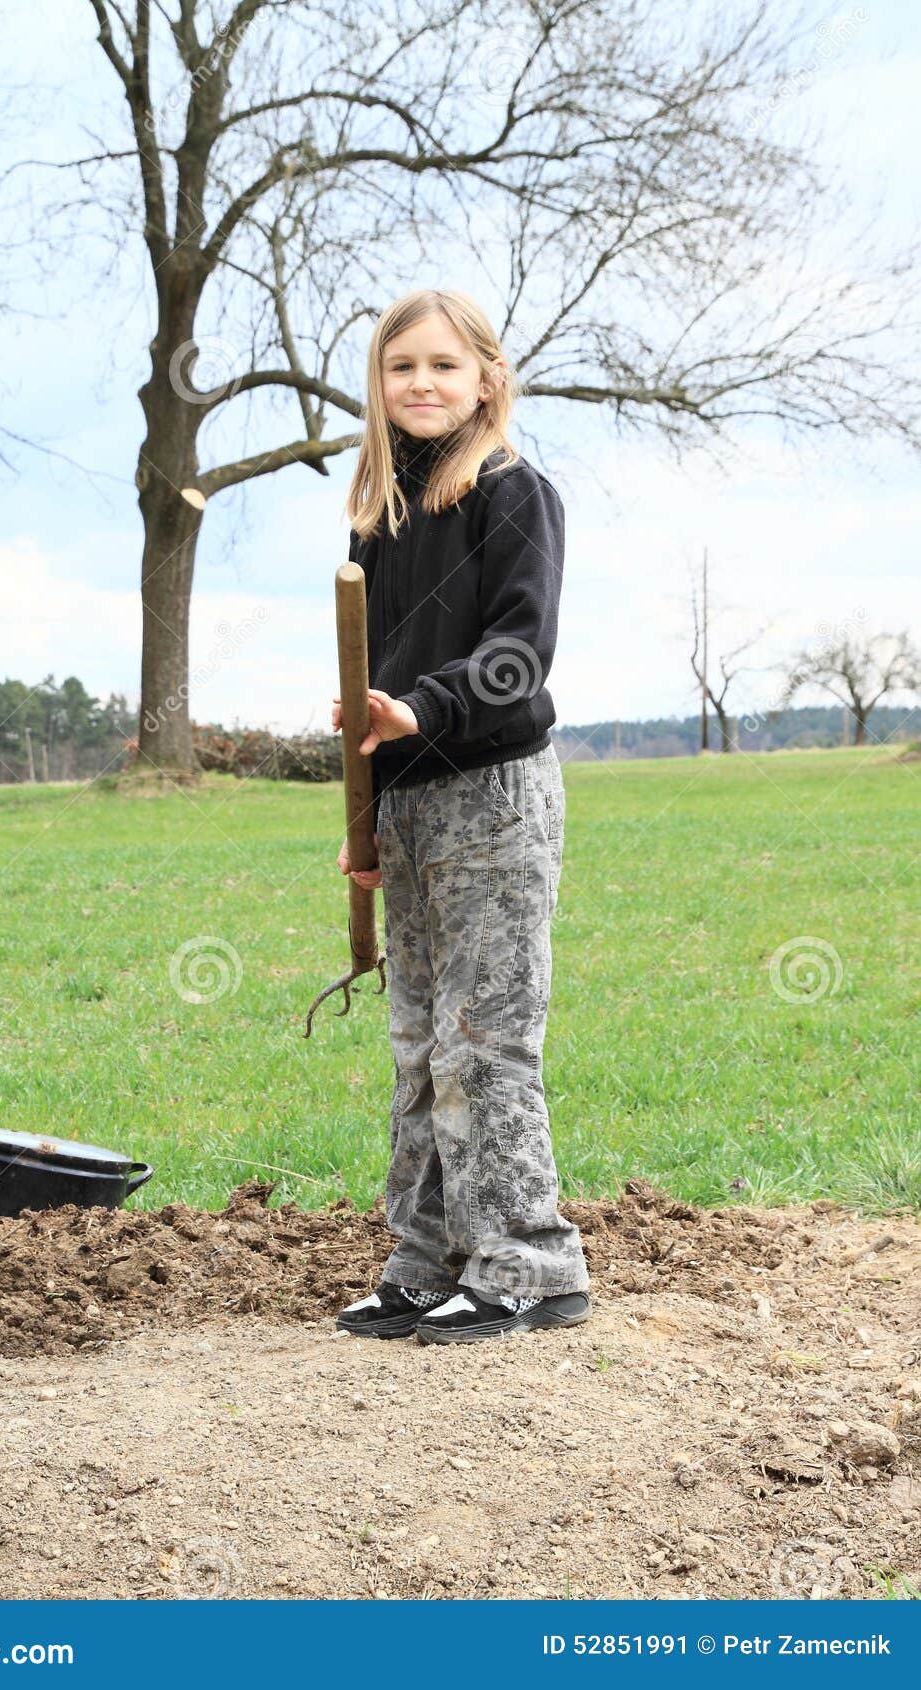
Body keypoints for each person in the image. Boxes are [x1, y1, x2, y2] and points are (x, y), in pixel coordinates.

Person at [330, 287, 591, 1345]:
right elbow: (370, 683)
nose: (423, 385)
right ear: (379, 388)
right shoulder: (377, 517)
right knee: (419, 1042)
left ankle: (529, 1265)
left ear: (488, 376)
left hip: (494, 796)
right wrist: (365, 820)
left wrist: (422, 706)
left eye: (445, 365)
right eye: (403, 369)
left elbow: (520, 652)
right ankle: (429, 1256)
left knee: (484, 1041)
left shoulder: (514, 494)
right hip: (412, 808)